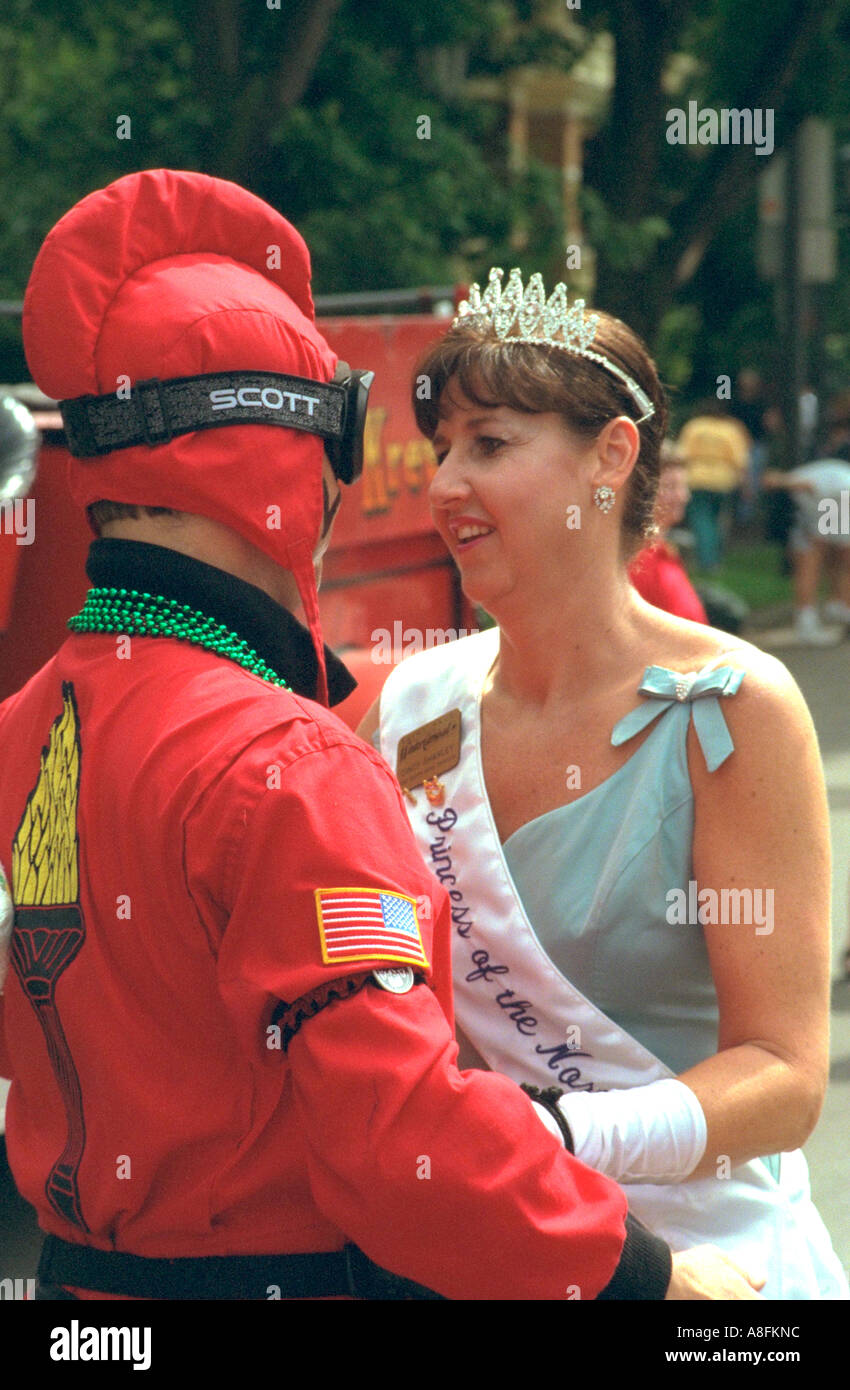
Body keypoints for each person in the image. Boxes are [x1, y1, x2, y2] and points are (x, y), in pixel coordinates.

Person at [0, 171, 761, 1304]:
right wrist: (656, 1285)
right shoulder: (288, 769)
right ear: (277, 458)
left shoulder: (28, 725)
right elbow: (398, 1144)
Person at [362, 266, 849, 1300]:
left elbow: (784, 1075)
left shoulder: (733, 707)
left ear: (609, 457)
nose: (445, 482)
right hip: (498, 1253)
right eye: (442, 447)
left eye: (488, 444)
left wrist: (550, 1135)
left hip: (711, 1267)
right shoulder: (409, 707)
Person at [761, 460, 850, 642]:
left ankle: (836, 605)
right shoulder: (836, 487)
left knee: (835, 555)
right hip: (810, 507)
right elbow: (806, 485)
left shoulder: (838, 489)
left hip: (819, 503)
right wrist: (778, 480)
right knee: (811, 559)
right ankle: (807, 618)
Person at [628, 441, 708, 624]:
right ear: (641, 492)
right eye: (670, 487)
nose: (683, 496)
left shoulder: (664, 553)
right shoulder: (636, 561)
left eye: (682, 486)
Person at [676, 402, 750, 569]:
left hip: (697, 477)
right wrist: (746, 485)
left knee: (701, 520)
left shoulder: (694, 426)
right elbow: (741, 460)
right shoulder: (731, 430)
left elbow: (682, 455)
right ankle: (716, 557)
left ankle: (707, 560)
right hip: (724, 479)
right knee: (719, 521)